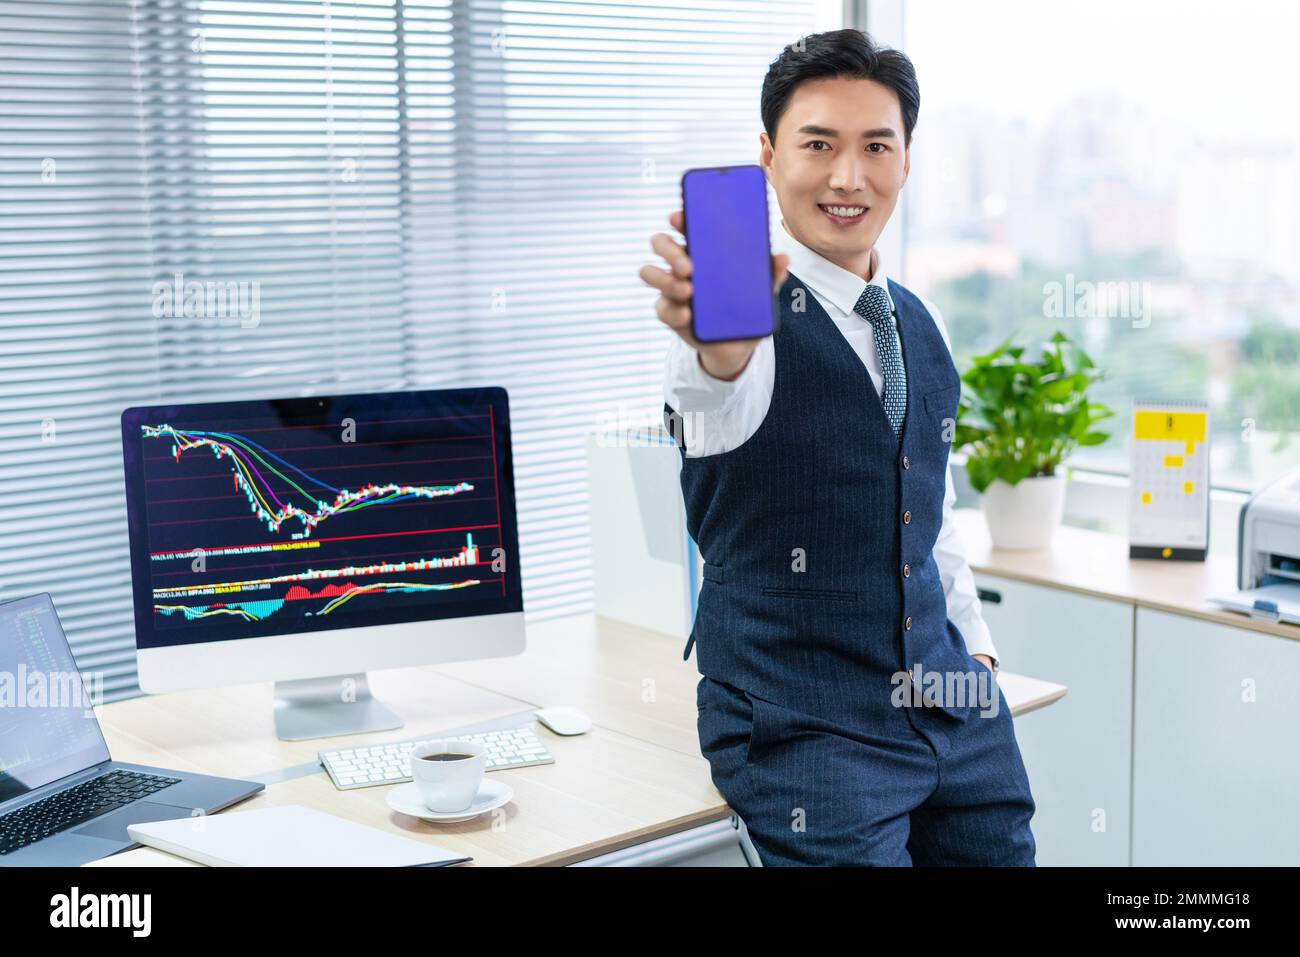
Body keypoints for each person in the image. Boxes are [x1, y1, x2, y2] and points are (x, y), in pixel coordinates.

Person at [638, 28, 1036, 866]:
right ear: (768, 155)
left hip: (953, 705)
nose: (848, 176)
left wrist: (979, 654)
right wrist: (715, 340)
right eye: (817, 144)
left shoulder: (917, 325)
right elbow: (717, 386)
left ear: (906, 158)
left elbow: (929, 515)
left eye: (875, 146)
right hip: (808, 731)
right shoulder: (745, 329)